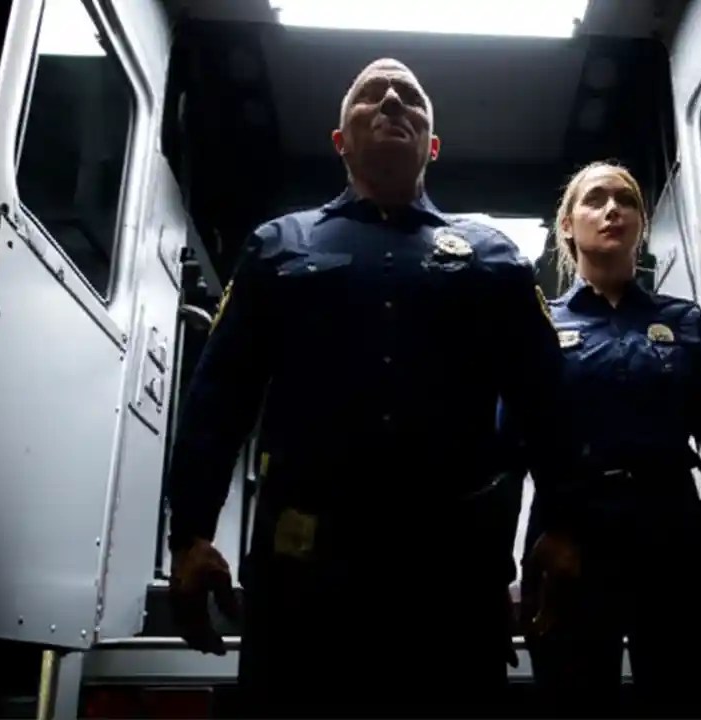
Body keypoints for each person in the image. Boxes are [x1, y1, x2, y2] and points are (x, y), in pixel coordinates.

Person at [164, 58, 577, 717]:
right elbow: (219, 401)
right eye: (371, 96)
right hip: (305, 567)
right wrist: (189, 535)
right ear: (340, 139)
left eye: (410, 98)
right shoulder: (278, 246)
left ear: (432, 146)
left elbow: (547, 406)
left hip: (449, 574)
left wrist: (559, 529)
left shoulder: (494, 258)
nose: (392, 102)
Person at [514, 161, 701, 717]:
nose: (611, 210)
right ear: (567, 226)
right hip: (569, 547)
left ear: (641, 224)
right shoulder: (539, 329)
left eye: (625, 200)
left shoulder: (685, 324)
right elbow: (506, 454)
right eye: (595, 200)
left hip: (674, 544)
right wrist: (500, 573)